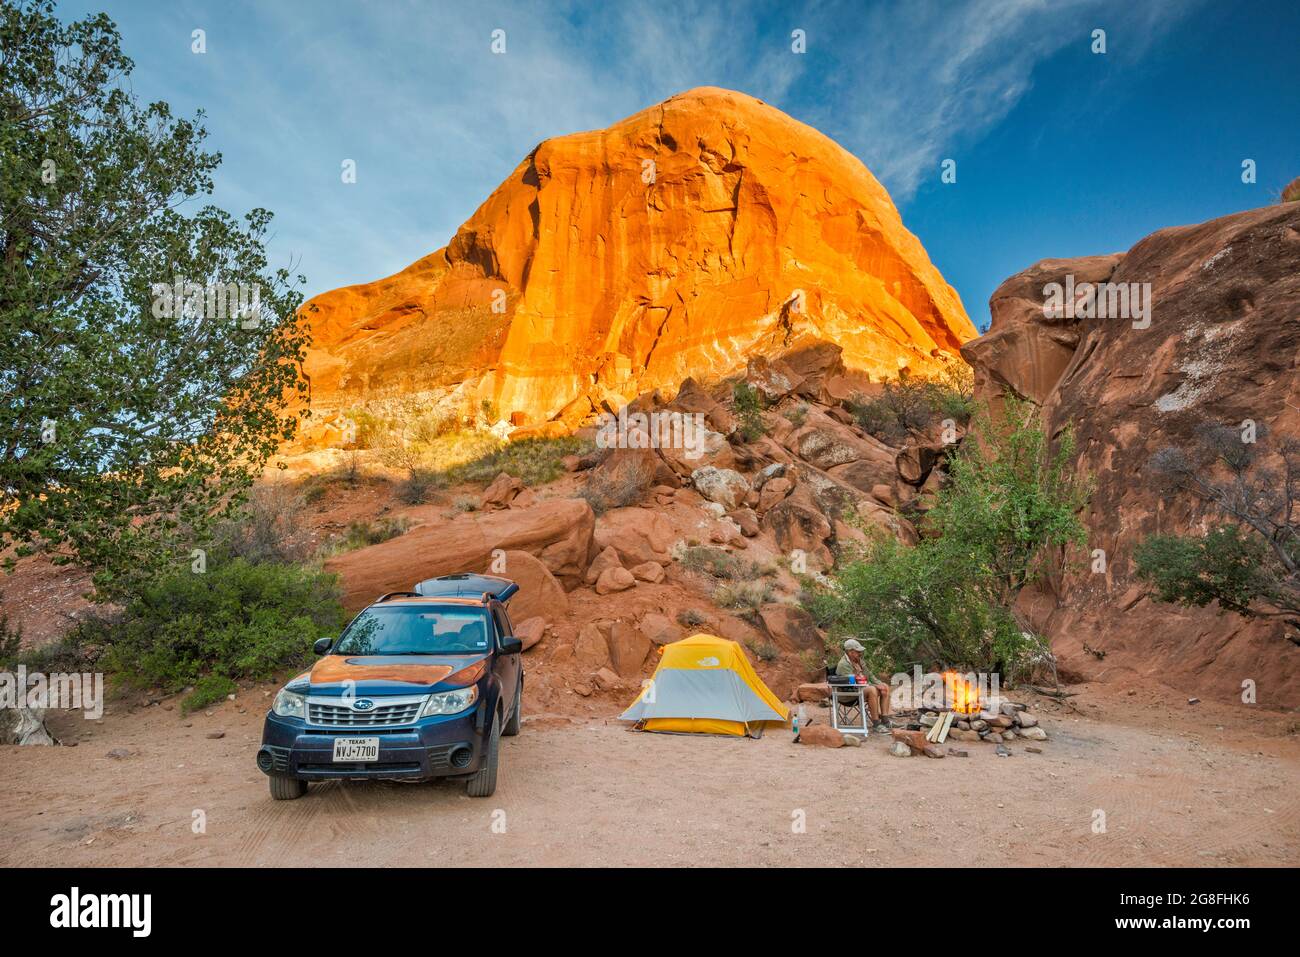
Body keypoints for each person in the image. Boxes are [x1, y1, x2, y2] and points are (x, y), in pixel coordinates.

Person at [834, 638, 891, 733]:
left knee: (885, 686)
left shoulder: (859, 661)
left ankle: (885, 720)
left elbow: (869, 675)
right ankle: (876, 724)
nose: (860, 653)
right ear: (850, 652)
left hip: (860, 689)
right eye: (858, 651)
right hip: (847, 694)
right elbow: (853, 683)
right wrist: (874, 686)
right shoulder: (843, 664)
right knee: (872, 689)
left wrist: (879, 684)